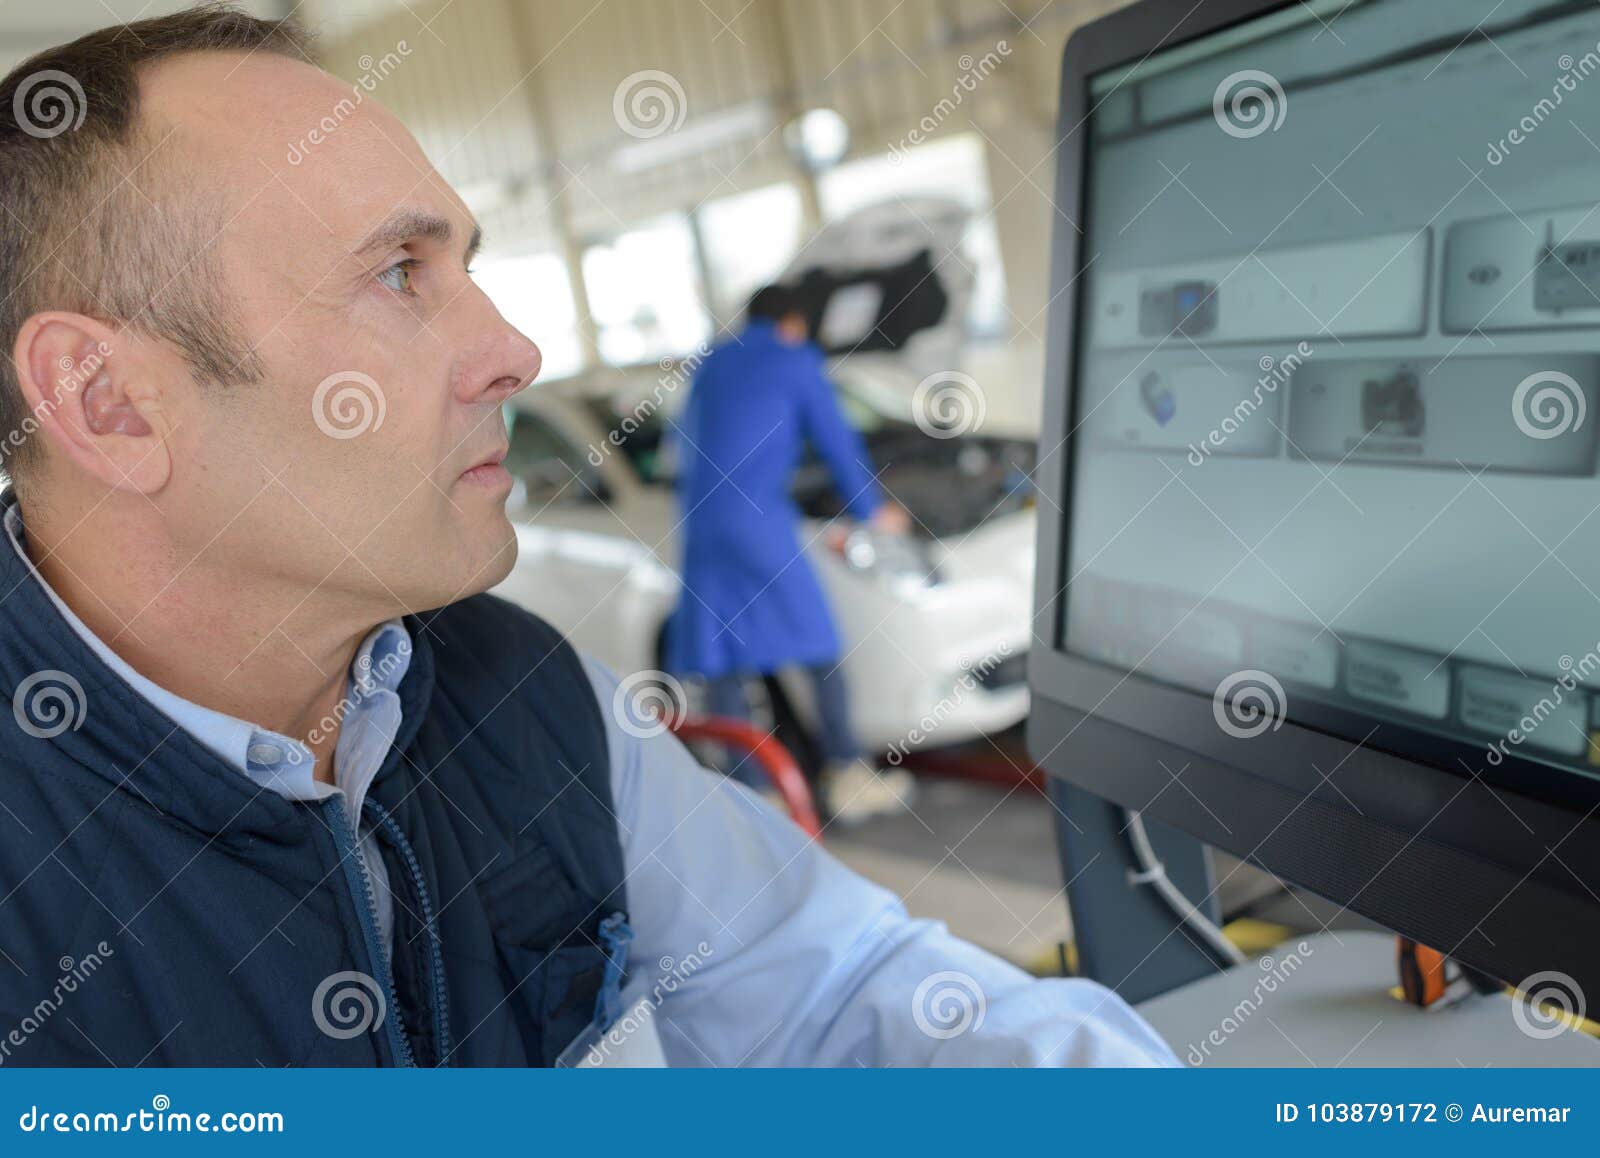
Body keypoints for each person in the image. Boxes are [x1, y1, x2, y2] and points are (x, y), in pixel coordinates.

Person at [0, 7, 1175, 1068]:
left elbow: (837, 994)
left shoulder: (526, 697)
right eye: (400, 273)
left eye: (468, 263)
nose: (517, 349)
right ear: (107, 402)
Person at [667, 285, 913, 819]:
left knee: (723, 659)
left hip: (700, 525)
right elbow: (837, 440)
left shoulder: (711, 363)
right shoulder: (794, 358)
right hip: (758, 521)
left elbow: (682, 442)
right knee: (818, 642)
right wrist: (873, 510)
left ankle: (753, 796)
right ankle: (847, 775)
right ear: (794, 324)